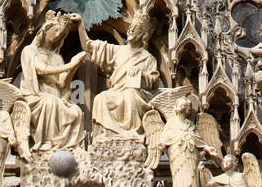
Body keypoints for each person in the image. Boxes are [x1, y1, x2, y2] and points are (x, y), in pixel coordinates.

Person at [74, 10, 159, 138]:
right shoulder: (117, 51)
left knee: (130, 95)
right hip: (117, 91)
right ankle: (105, 136)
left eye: (135, 28)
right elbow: (88, 46)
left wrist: (140, 74)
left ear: (143, 34)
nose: (131, 30)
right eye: (130, 27)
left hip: (134, 94)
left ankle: (130, 135)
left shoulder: (148, 58)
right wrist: (80, 24)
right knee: (101, 98)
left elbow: (154, 81)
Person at [20, 13, 86, 150]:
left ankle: (70, 149)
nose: (57, 36)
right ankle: (44, 143)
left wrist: (74, 67)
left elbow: (62, 83)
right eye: (55, 31)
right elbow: (41, 69)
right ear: (45, 30)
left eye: (61, 34)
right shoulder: (30, 51)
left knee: (76, 111)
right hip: (37, 97)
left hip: (56, 97)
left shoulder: (57, 58)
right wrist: (70, 65)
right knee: (49, 102)